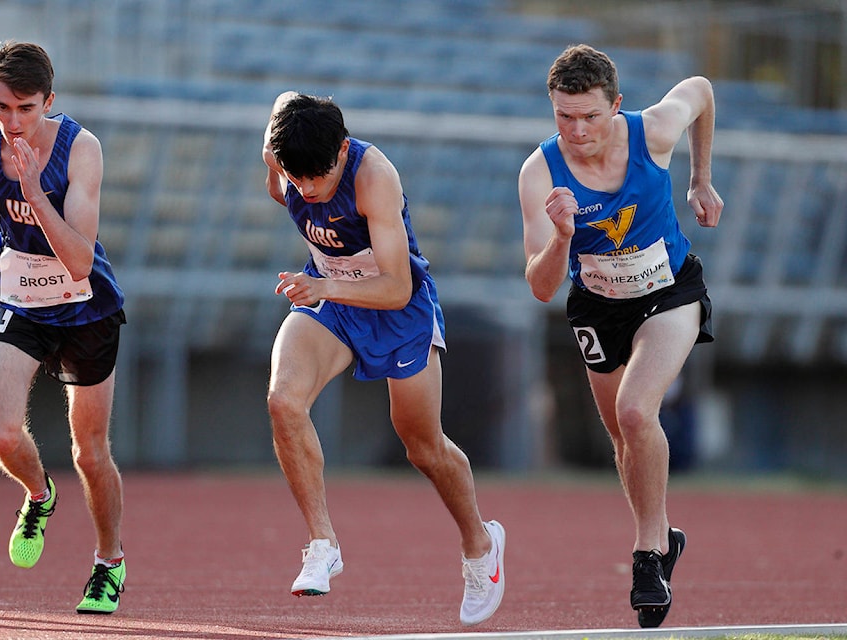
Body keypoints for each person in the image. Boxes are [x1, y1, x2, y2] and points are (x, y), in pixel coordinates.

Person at [262, 91, 506, 626]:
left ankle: (480, 546)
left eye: (317, 181)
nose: (306, 191)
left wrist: (323, 282)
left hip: (394, 309)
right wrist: (324, 285)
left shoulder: (375, 177)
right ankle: (322, 543)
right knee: (284, 401)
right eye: (295, 178)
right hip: (331, 302)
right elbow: (280, 149)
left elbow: (396, 286)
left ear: (343, 151)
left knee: (423, 446)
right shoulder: (288, 158)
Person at [517, 44, 722, 628]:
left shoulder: (653, 132)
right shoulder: (540, 173)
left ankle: (647, 552)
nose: (577, 130)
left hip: (668, 293)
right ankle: (664, 542)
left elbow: (702, 88)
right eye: (563, 116)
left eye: (590, 116)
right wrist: (560, 238)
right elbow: (539, 286)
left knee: (636, 412)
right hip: (597, 306)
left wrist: (700, 180)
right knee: (622, 438)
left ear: (617, 106)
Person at [0, 41, 127, 614]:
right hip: (19, 302)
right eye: (1, 107)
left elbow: (79, 258)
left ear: (48, 102)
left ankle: (109, 563)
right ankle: (38, 494)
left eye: (25, 109)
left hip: (83, 306)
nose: (12, 121)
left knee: (90, 452)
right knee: (1, 433)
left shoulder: (81, 150)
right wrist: (1, 205)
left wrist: (30, 193)